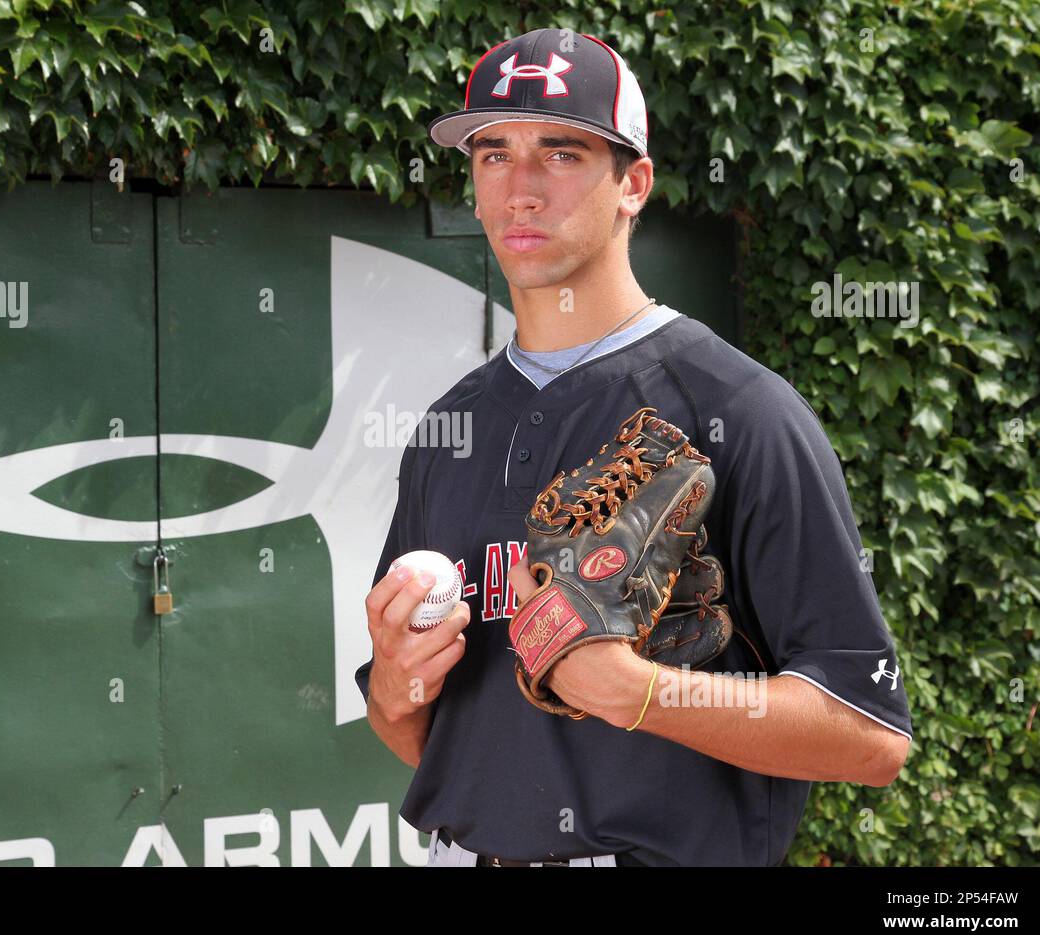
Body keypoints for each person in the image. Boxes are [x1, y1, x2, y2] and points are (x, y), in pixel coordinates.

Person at [356, 28, 912, 867]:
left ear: (633, 183)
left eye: (563, 152)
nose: (522, 190)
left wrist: (640, 693)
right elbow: (422, 739)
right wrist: (398, 687)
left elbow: (871, 738)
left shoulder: (742, 413)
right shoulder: (448, 430)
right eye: (494, 154)